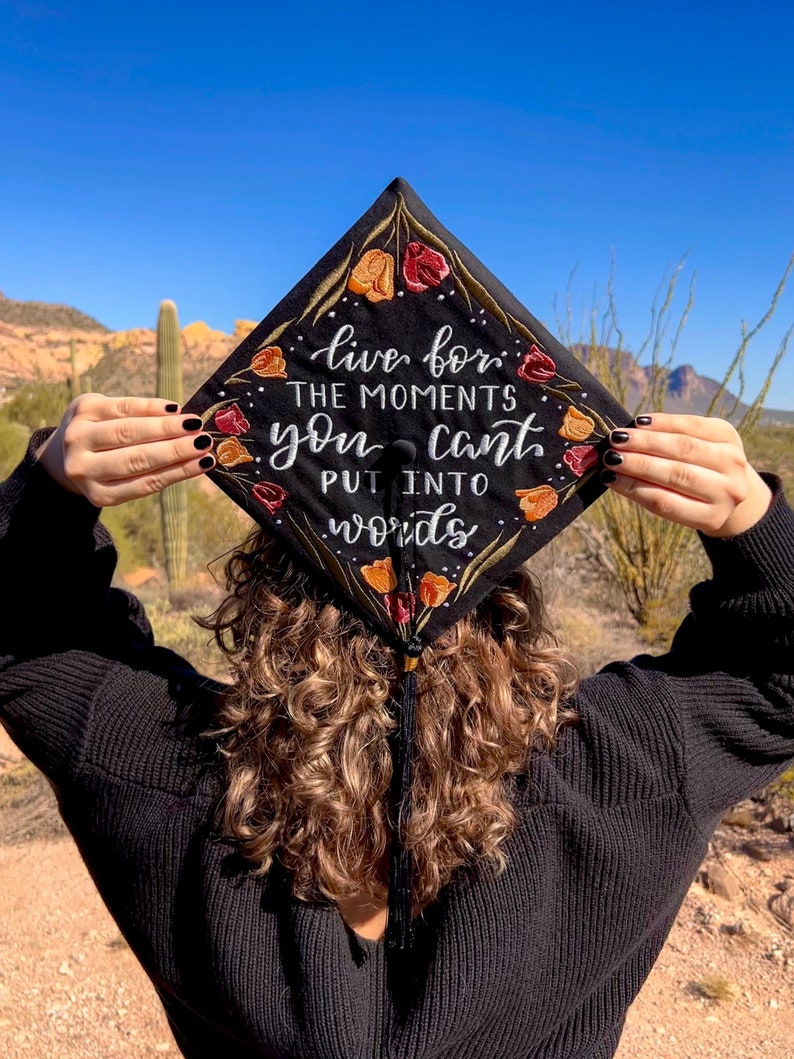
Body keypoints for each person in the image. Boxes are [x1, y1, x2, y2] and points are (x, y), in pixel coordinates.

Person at [1, 393, 791, 1059]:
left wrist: (46, 504)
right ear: (503, 590)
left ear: (265, 587)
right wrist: (754, 525)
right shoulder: (619, 773)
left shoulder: (164, 772)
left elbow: (24, 645)